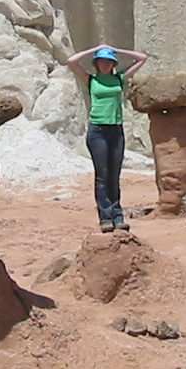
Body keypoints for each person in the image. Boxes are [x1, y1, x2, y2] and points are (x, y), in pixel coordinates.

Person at [67, 42, 149, 232]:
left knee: (114, 175)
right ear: (96, 63)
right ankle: (105, 217)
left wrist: (116, 49)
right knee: (102, 175)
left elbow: (142, 58)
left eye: (109, 61)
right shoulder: (91, 80)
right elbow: (71, 61)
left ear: (113, 63)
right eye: (102, 61)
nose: (105, 64)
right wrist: (95, 48)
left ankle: (118, 216)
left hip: (116, 130)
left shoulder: (120, 79)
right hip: (97, 130)